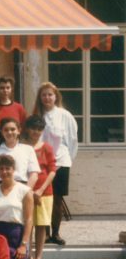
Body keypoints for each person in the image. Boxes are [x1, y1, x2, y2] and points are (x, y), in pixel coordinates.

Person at [34, 81, 78, 245]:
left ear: (56, 96)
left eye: (50, 94)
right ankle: (44, 234)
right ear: (40, 97)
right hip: (42, 164)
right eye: (44, 94)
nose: (47, 98)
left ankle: (56, 233)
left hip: (61, 161)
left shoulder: (64, 115)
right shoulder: (37, 115)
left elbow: (72, 140)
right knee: (44, 199)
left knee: (57, 200)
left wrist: (67, 159)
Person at [23, 115, 56, 259]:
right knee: (28, 224)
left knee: (41, 225)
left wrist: (41, 190)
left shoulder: (47, 147)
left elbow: (52, 171)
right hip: (27, 191)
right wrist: (29, 190)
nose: (36, 132)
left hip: (45, 191)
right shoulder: (23, 147)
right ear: (28, 129)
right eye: (33, 128)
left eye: (39, 129)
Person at [0, 154, 34, 259]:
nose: (4, 172)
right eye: (1, 169)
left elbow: (29, 219)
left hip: (16, 235)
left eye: (7, 168)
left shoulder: (25, 190)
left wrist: (23, 244)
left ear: (13, 169)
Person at [0, 117, 40, 187]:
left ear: (19, 131)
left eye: (13, 129)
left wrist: (25, 192)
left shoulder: (28, 149)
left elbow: (34, 174)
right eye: (6, 130)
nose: (9, 132)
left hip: (22, 186)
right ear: (1, 132)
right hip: (1, 187)